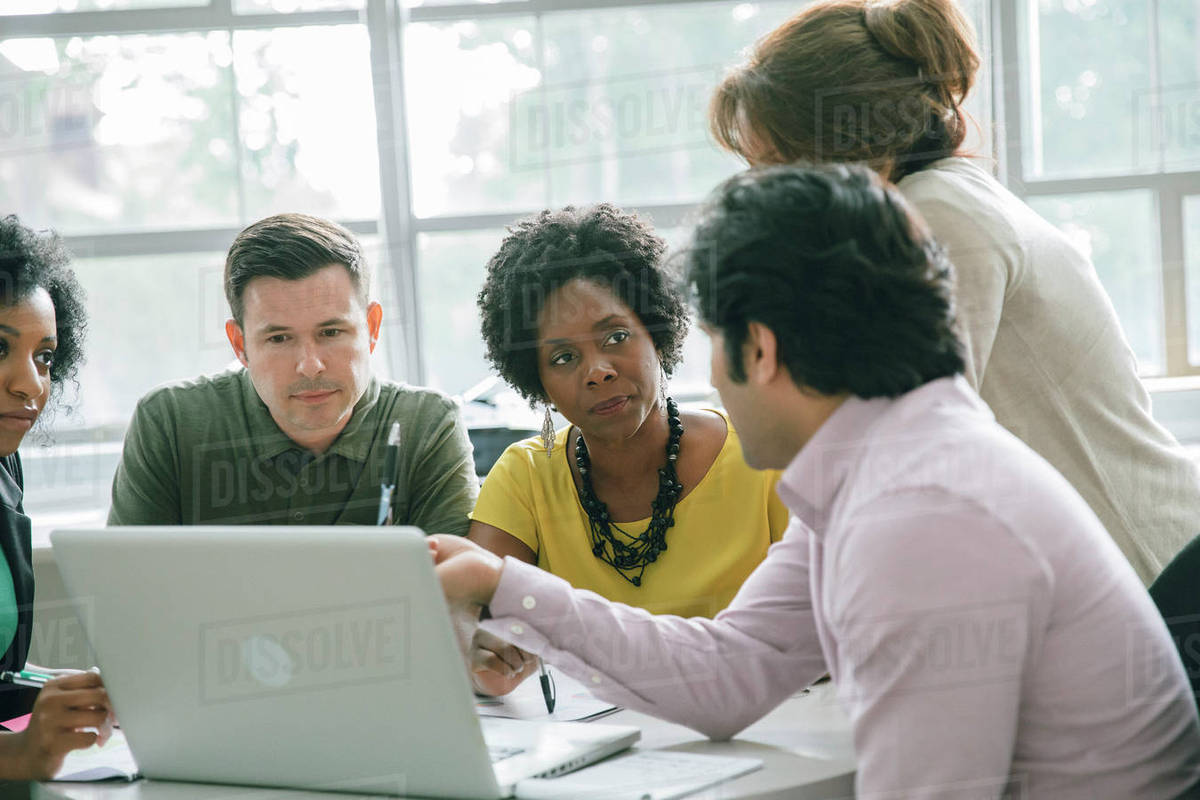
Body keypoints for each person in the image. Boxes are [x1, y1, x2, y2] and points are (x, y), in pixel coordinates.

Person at [432, 165, 1200, 798]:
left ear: (757, 350)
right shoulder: (888, 471)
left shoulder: (919, 518)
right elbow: (729, 670)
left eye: (713, 346)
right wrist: (503, 583)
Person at [706, 0, 1200, 585]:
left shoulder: (936, 216)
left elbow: (901, 447)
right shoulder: (941, 197)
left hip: (1147, 567)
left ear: (845, 141)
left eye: (775, 165)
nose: (765, 192)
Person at [466, 204, 788, 694]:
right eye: (563, 357)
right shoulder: (524, 478)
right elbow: (474, 625)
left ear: (657, 334)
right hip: (590, 752)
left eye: (616, 336)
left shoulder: (762, 459)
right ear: (538, 381)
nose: (598, 371)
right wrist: (480, 652)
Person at [108, 213, 477, 530]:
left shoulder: (429, 425)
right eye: (280, 338)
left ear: (372, 327)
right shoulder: (170, 424)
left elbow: (459, 601)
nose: (310, 365)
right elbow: (122, 591)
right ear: (240, 345)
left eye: (331, 332)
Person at [0, 216, 114, 779]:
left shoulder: (4, 465)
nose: (30, 384)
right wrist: (22, 754)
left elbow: (2, 677)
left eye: (44, 356)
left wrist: (70, 690)